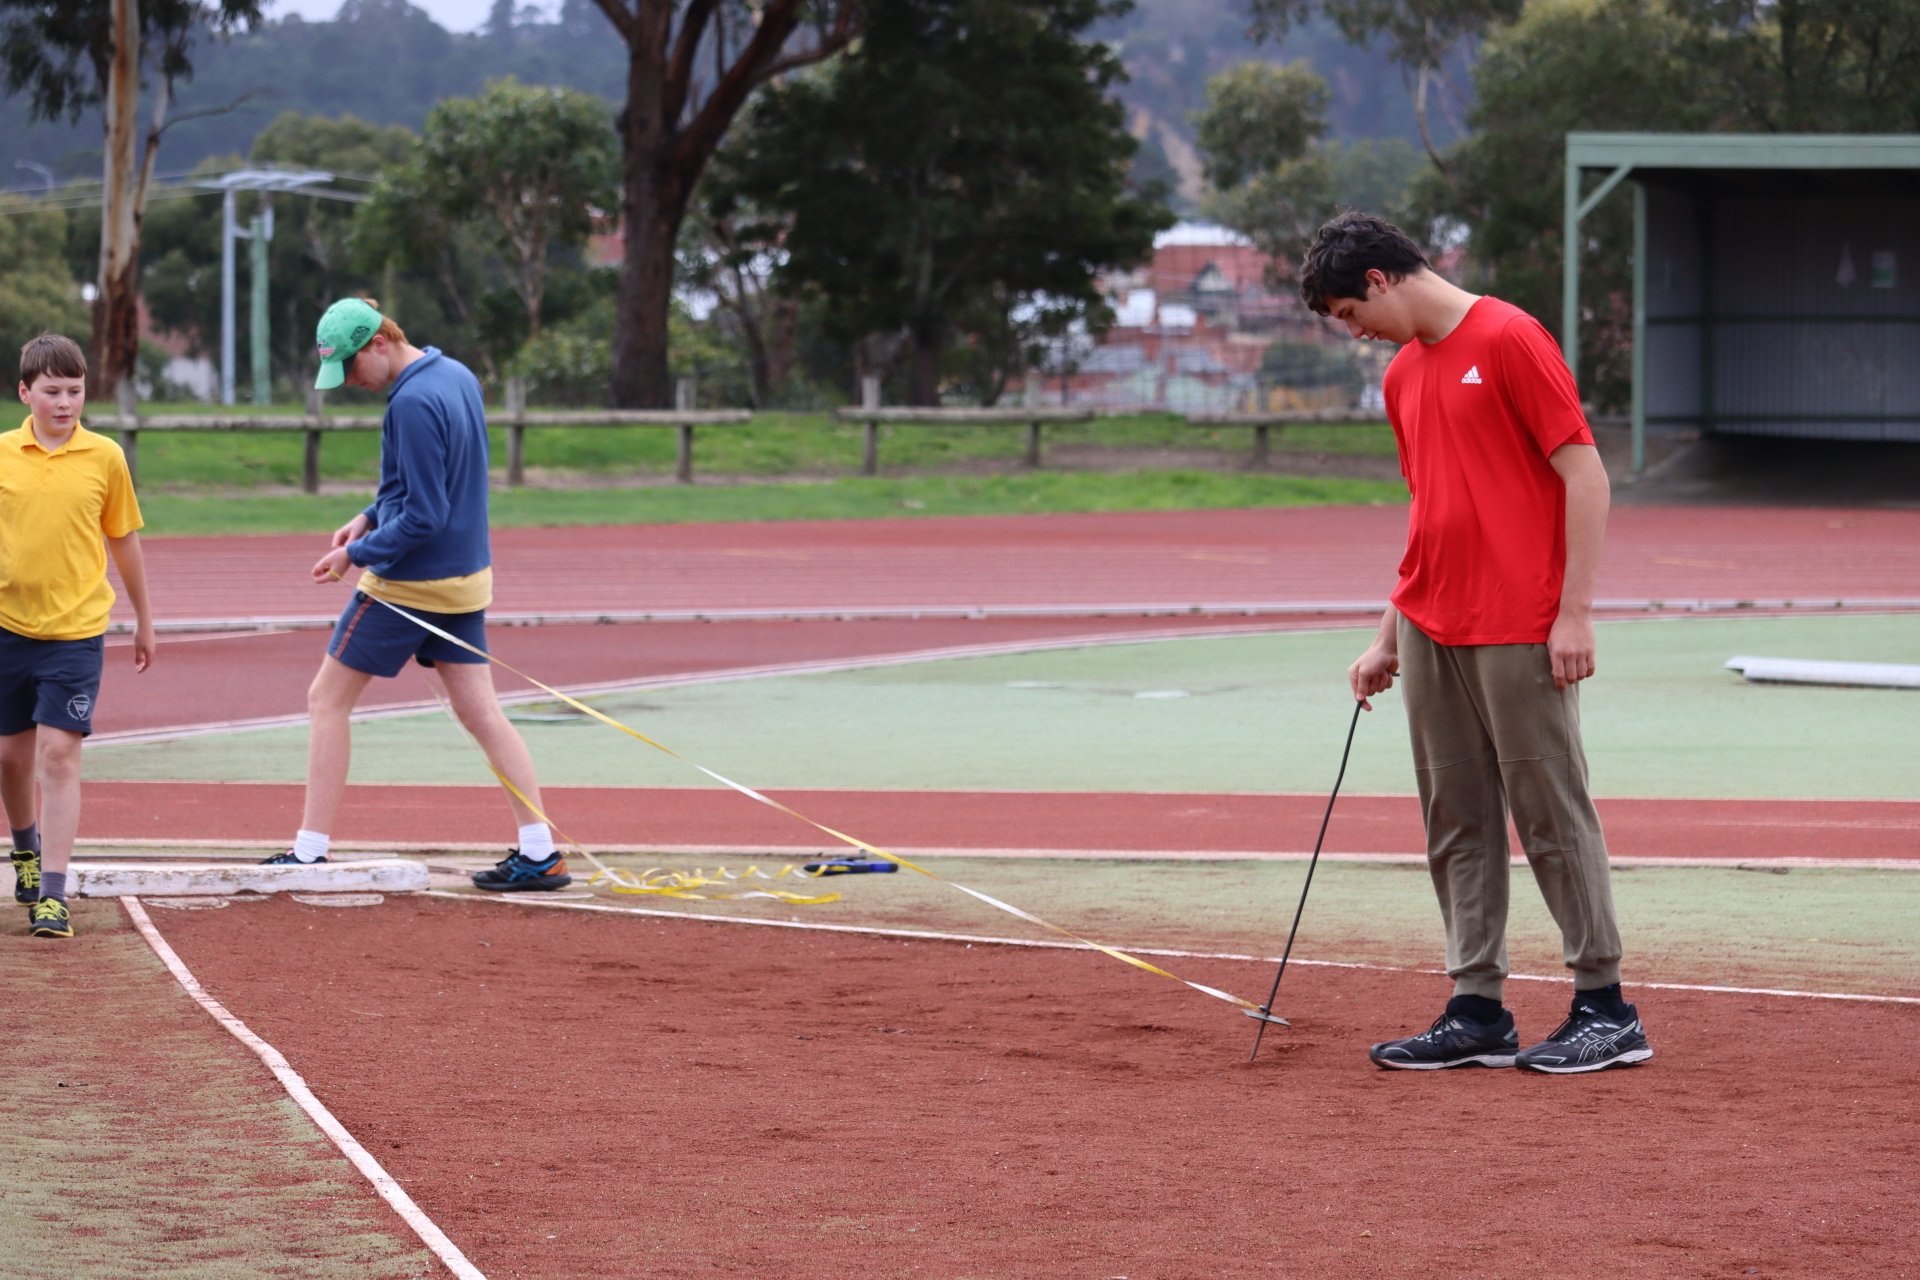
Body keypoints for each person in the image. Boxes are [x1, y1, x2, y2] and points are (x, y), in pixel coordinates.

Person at [1300, 212, 1652, 1073]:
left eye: (1350, 313)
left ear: (1378, 279)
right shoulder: (1401, 377)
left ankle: (1606, 1008)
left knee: (1551, 814)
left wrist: (1574, 613)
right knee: (1455, 818)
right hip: (1431, 627)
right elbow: (1431, 512)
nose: (1354, 332)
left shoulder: (1509, 337)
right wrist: (1388, 634)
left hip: (1519, 623)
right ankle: (1477, 1008)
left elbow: (1584, 474)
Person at [263, 298, 571, 892]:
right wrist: (368, 515)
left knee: (326, 700)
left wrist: (356, 553)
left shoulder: (409, 402)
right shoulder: (455, 374)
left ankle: (309, 851)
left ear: (379, 343)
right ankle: (541, 852)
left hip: (411, 582)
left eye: (352, 366)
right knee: (481, 712)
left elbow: (424, 514)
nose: (349, 381)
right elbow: (420, 483)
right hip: (466, 578)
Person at [5, 334, 155, 938]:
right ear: (25, 392)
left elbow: (124, 539)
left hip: (76, 632)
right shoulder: (3, 454)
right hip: (8, 628)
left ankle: (53, 894)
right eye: (52, 391)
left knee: (59, 756)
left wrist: (144, 618)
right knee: (10, 757)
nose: (65, 403)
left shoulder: (105, 457)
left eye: (75, 390)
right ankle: (25, 847)